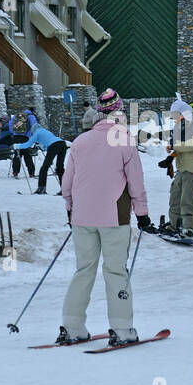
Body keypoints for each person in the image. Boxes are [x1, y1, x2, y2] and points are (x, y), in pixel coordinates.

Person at [58, 87, 150, 347]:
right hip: (114, 216)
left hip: (81, 217)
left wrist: (70, 208)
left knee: (83, 269)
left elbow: (67, 182)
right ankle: (122, 329)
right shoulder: (123, 138)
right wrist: (142, 214)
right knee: (115, 271)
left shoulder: (81, 141)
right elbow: (136, 182)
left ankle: (71, 325)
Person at [164, 99, 193, 237]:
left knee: (186, 198)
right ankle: (174, 224)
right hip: (181, 168)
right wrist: (170, 154)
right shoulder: (178, 126)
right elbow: (176, 144)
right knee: (174, 197)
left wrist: (176, 147)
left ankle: (189, 227)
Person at [13, 118, 68, 194]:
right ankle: (65, 189)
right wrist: (41, 146)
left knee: (44, 168)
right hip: (62, 144)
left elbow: (28, 144)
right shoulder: (45, 131)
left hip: (54, 146)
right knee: (60, 168)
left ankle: (41, 188)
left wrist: (18, 146)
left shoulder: (36, 133)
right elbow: (48, 142)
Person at [8, 114, 36, 179]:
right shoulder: (31, 116)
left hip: (16, 137)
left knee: (17, 154)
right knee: (27, 155)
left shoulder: (17, 115)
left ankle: (15, 172)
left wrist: (13, 132)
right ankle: (31, 173)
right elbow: (34, 126)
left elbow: (10, 124)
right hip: (25, 137)